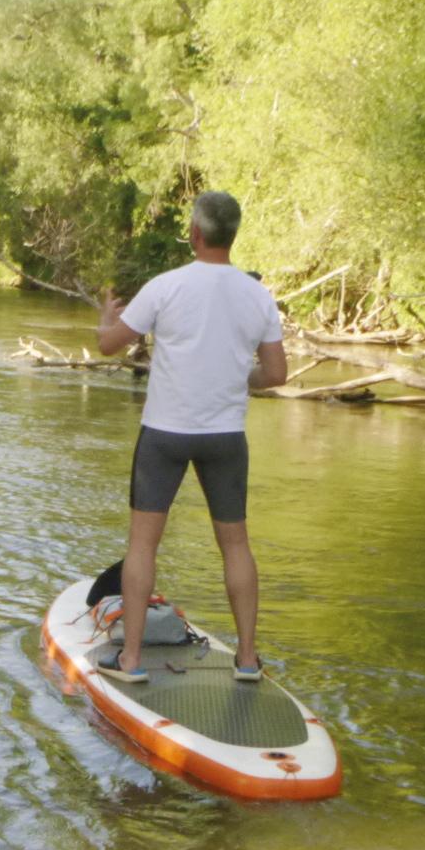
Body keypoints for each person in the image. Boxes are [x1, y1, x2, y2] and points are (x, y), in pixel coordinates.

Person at [94, 190, 288, 683]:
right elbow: (276, 374)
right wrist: (241, 380)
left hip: (165, 435)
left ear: (195, 234)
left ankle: (131, 661)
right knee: (236, 545)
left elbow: (109, 346)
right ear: (232, 235)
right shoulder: (257, 294)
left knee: (143, 546)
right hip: (225, 437)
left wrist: (107, 321)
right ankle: (247, 660)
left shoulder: (166, 286)